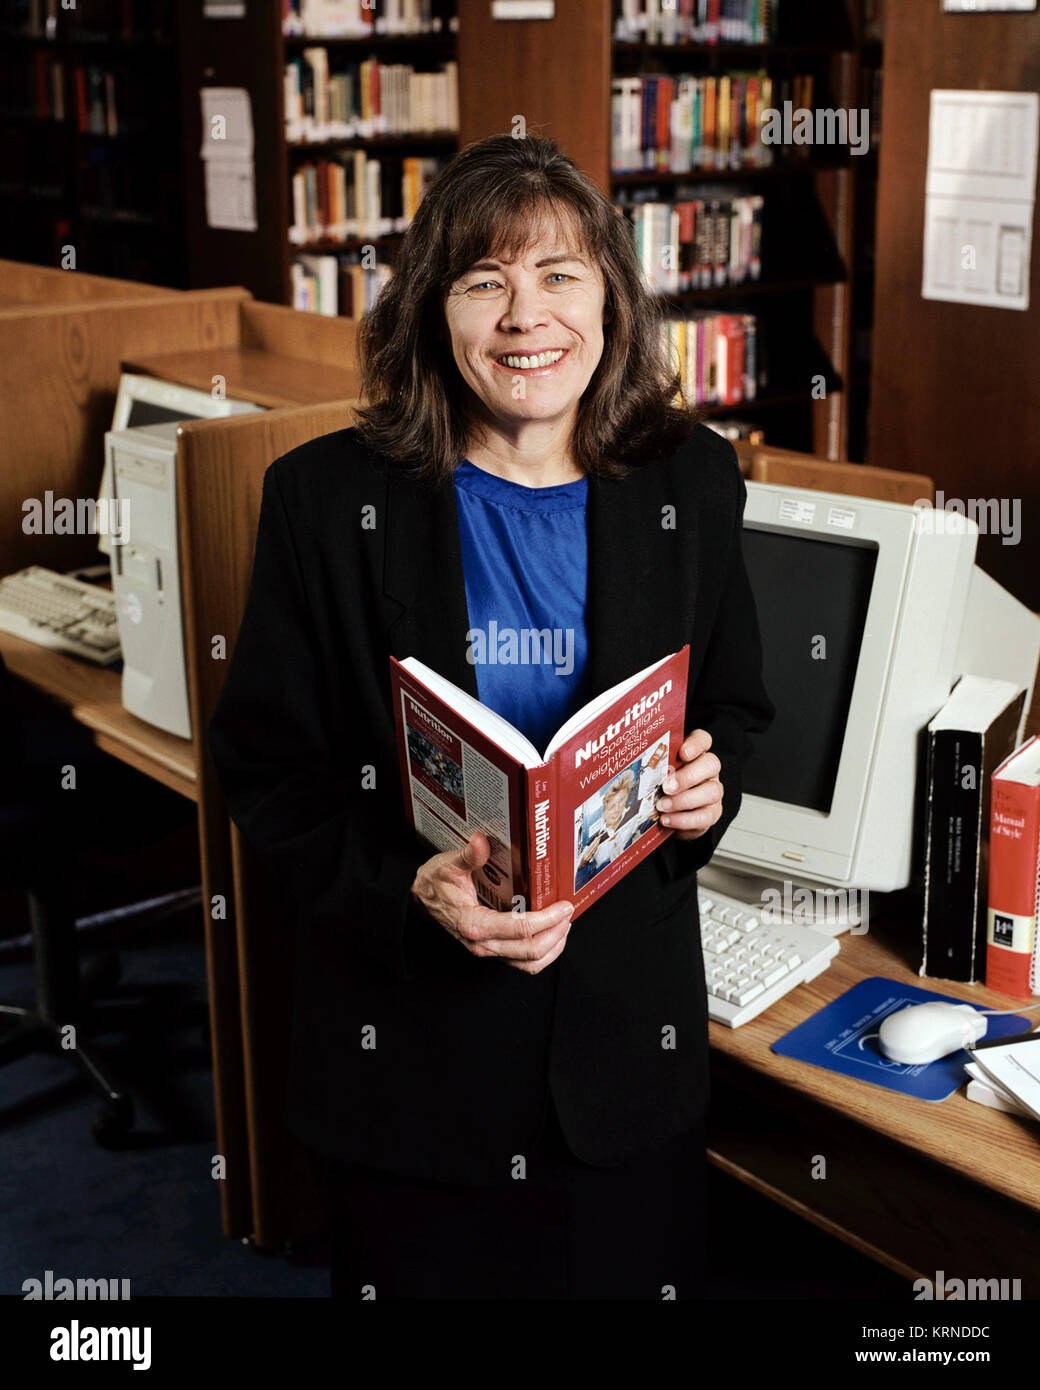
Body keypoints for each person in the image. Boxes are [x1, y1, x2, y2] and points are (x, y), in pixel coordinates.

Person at [208, 133, 774, 1300]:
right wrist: (404, 889)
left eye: (559, 275)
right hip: (411, 1066)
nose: (527, 318)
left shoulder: (693, 481)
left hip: (623, 1058)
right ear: (434, 314)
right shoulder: (322, 501)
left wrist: (706, 792)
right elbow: (266, 775)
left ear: (610, 299)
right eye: (484, 282)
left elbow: (732, 705)